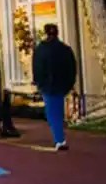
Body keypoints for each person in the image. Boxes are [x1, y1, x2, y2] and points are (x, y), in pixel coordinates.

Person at [32, 23, 77, 151]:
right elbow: (72, 67)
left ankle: (59, 139)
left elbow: (37, 68)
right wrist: (70, 83)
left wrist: (38, 83)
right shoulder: (65, 49)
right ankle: (59, 137)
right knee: (57, 111)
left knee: (52, 113)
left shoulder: (40, 49)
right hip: (61, 85)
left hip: (48, 86)